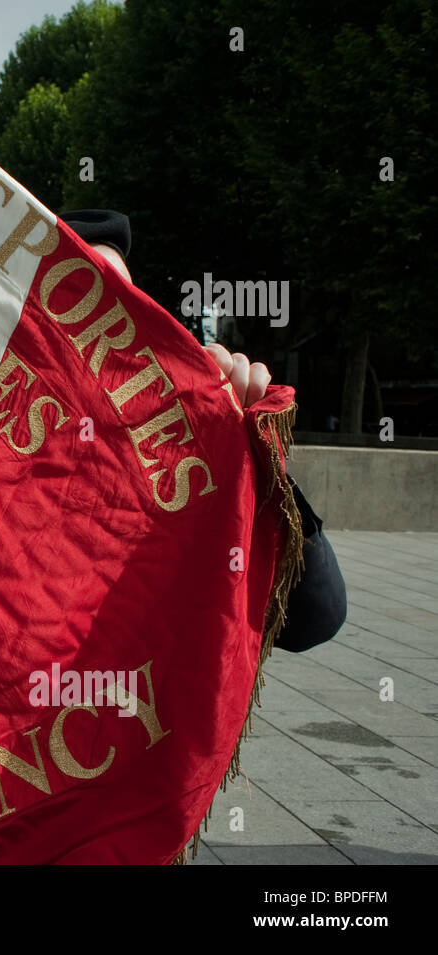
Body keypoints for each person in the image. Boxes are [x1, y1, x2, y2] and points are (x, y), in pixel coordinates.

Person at [59, 210, 347, 653]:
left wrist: (255, 470)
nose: (105, 326)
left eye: (125, 303)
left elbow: (311, 620)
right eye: (80, 297)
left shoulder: (175, 458)